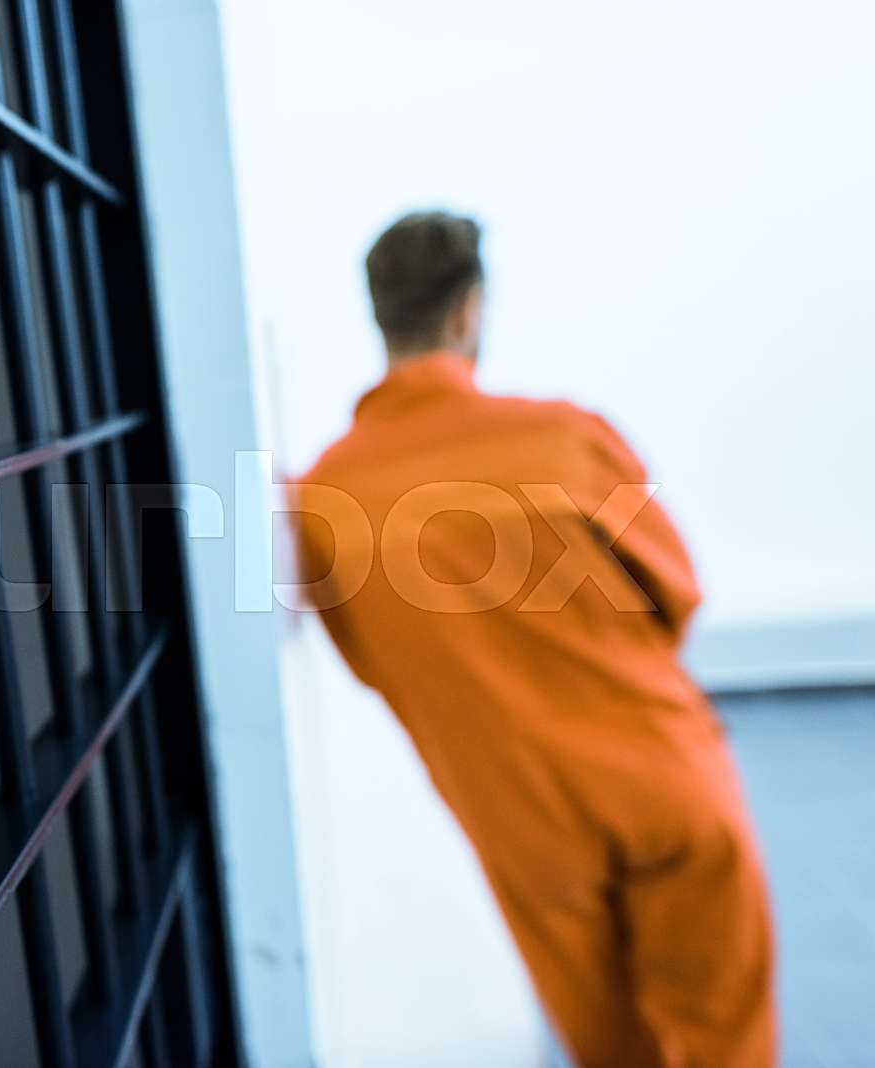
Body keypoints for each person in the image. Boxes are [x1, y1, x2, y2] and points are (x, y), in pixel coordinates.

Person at [290, 211, 776, 1067]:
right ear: (468, 311)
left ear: (380, 315)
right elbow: (677, 594)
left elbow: (372, 663)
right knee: (723, 1039)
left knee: (610, 1048)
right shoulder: (565, 435)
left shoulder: (328, 494)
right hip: (664, 779)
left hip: (521, 819)